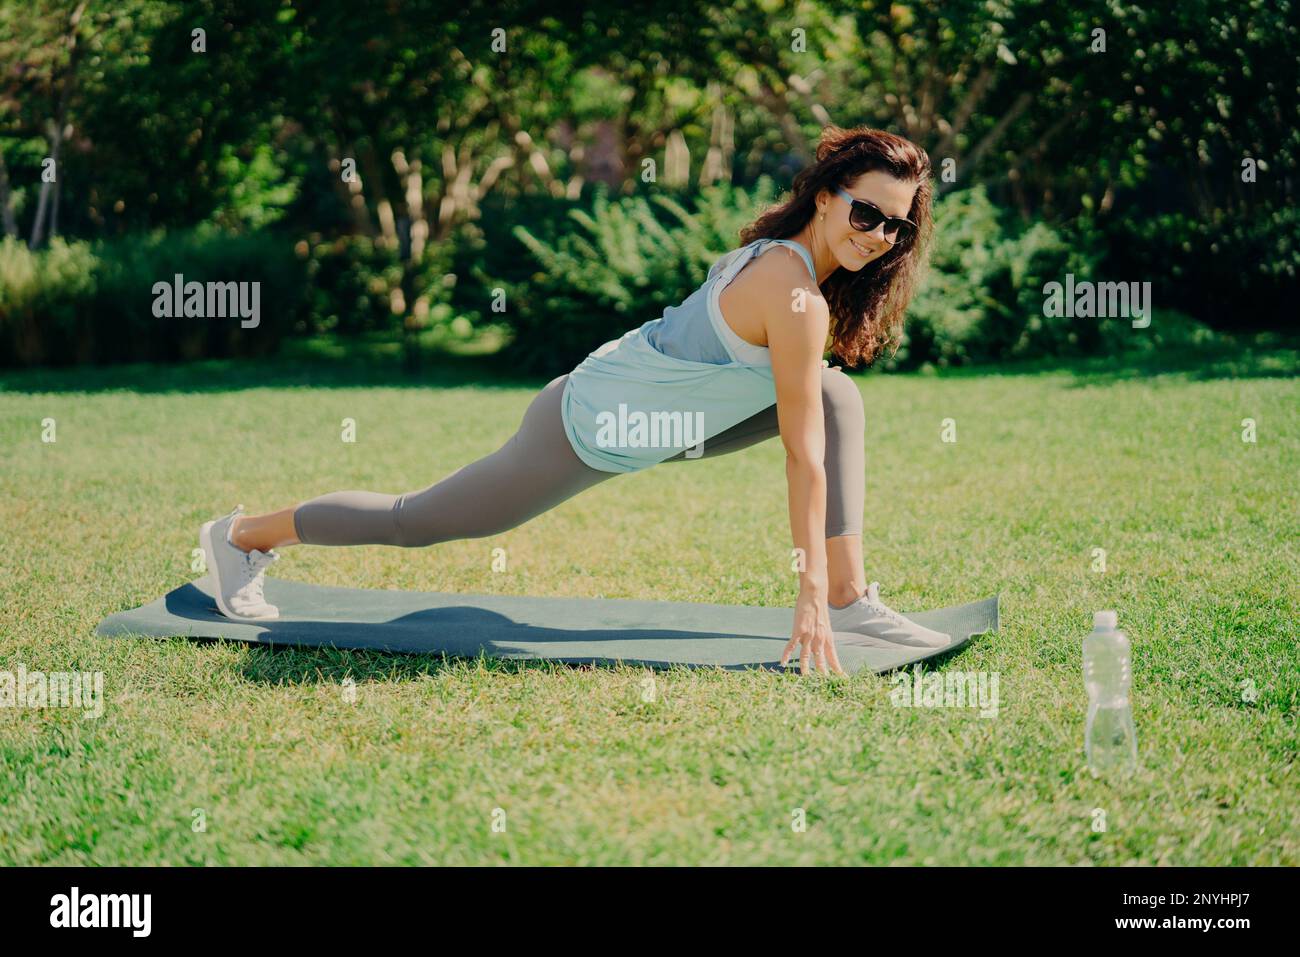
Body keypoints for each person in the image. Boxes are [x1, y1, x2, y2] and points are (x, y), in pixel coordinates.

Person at [199, 125, 951, 676]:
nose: (880, 235)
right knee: (417, 520)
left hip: (667, 421)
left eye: (896, 224)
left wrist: (830, 591)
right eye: (866, 214)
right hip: (590, 425)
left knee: (835, 395)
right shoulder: (793, 292)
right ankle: (240, 536)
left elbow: (802, 418)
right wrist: (806, 590)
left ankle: (854, 597)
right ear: (825, 199)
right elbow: (800, 454)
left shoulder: (795, 269)